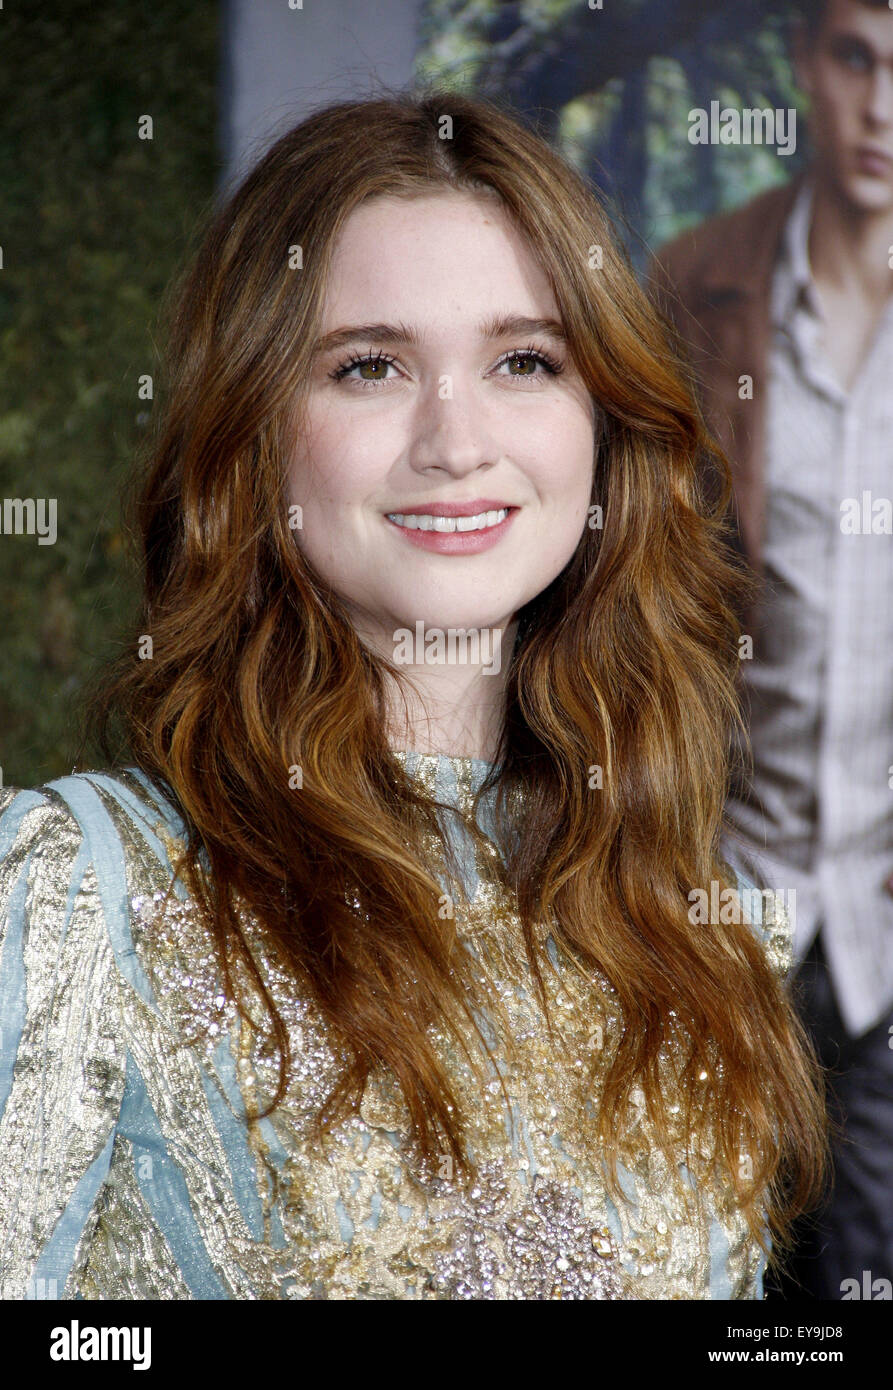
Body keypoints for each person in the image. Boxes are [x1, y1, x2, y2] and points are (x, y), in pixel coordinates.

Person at [0, 88, 827, 1301]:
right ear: (254, 430)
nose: (455, 438)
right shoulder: (81, 893)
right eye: (370, 365)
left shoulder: (685, 915)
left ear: (602, 421)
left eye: (523, 360)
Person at [649, 0, 893, 1299]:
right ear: (805, 62)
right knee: (712, 1275)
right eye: (858, 59)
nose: (883, 108)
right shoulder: (697, 288)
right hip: (720, 904)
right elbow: (625, 599)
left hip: (884, 921)